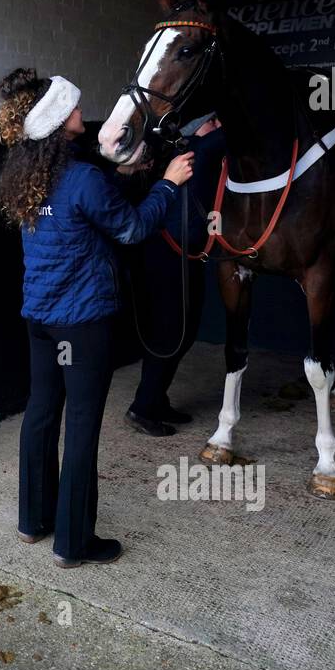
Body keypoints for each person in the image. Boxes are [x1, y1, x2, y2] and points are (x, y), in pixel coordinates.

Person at [0, 68, 194, 568]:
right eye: (75, 108)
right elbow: (130, 229)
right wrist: (167, 185)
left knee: (41, 414)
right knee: (81, 427)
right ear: (63, 121)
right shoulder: (80, 179)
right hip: (83, 325)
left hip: (41, 318)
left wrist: (122, 177)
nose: (83, 114)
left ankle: (33, 521)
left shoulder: (29, 175)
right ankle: (74, 543)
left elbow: (81, 206)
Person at [125, 116, 227, 436]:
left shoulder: (193, 149)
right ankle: (142, 408)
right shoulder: (199, 149)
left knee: (182, 332)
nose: (217, 125)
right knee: (170, 334)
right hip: (168, 256)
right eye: (212, 121)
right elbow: (233, 132)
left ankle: (156, 400)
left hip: (182, 256)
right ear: (197, 128)